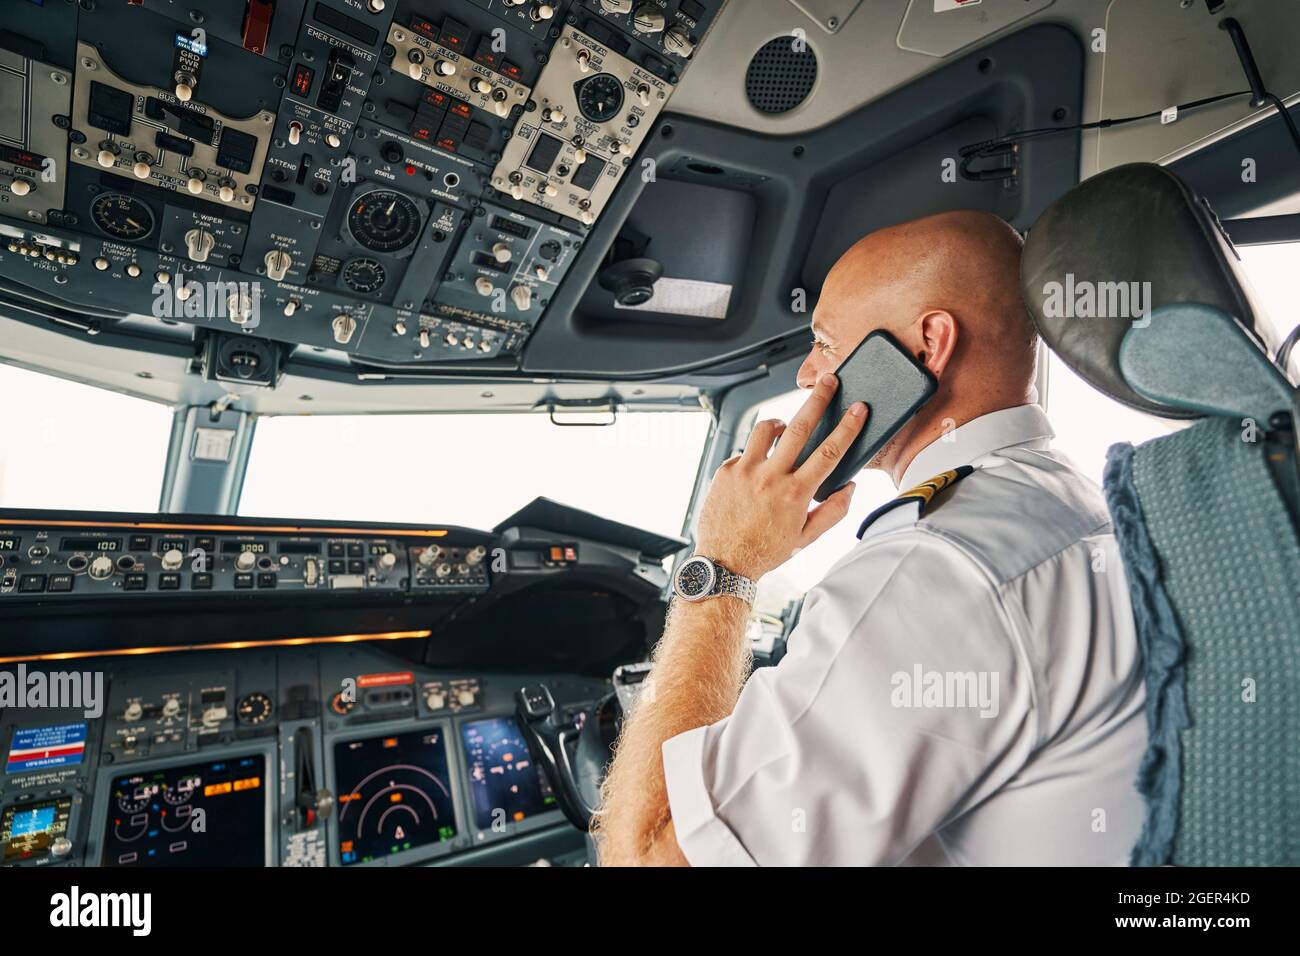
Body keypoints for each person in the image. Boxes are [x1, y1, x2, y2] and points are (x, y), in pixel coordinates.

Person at [594, 210, 1147, 866]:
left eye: (824, 343)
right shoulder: (1074, 501)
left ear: (927, 347)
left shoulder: (936, 571)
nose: (805, 374)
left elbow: (650, 851)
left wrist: (724, 564)